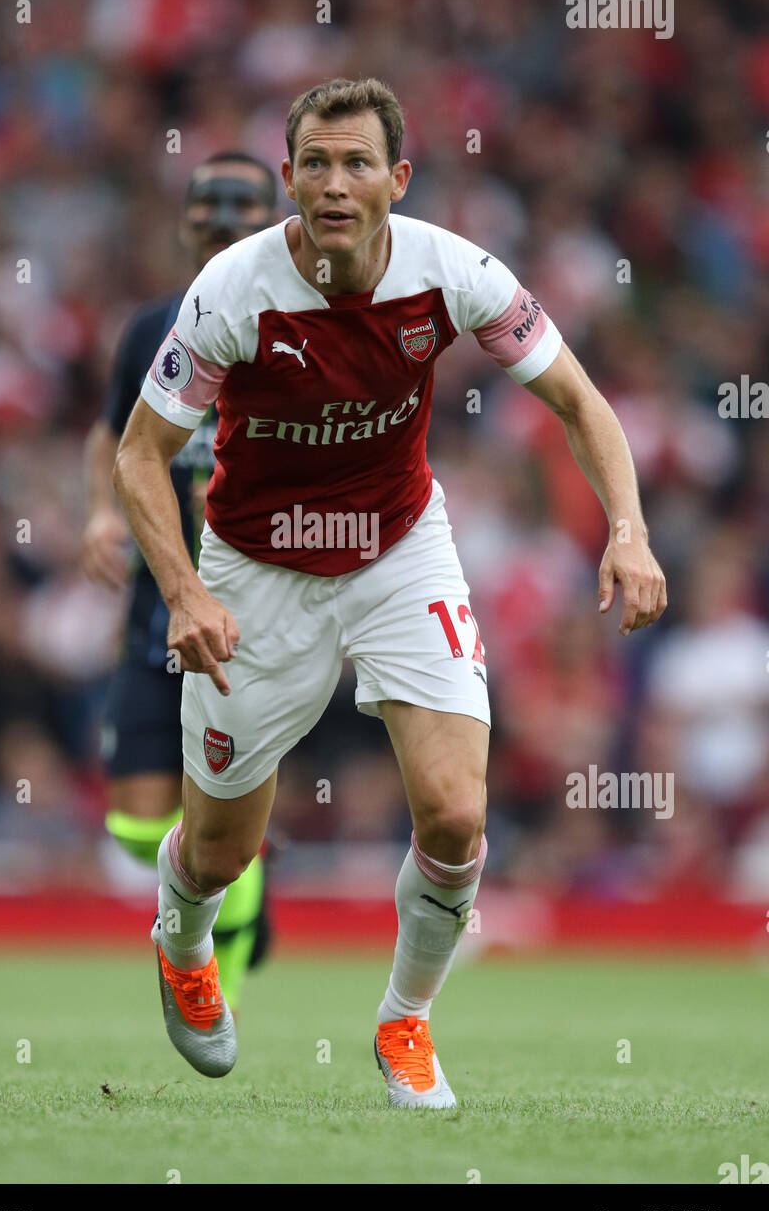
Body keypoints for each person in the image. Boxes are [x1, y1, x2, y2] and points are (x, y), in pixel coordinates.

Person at [113, 78, 667, 1108]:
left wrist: (628, 532)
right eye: (315, 164)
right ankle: (182, 937)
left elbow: (580, 401)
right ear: (289, 178)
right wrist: (185, 591)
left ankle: (405, 1021)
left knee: (457, 814)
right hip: (256, 570)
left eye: (357, 163)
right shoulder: (234, 290)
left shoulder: (452, 271)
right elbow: (141, 457)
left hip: (398, 551)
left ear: (397, 179)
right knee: (222, 844)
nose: (334, 184)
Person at [82, 152, 279, 1012]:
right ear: (186, 220)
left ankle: (216, 978)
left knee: (213, 798)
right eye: (210, 202)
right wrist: (99, 511)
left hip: (249, 604)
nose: (224, 216)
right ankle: (242, 871)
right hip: (153, 605)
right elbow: (110, 436)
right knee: (132, 825)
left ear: (276, 217)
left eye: (244, 203)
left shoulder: (293, 322)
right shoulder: (149, 327)